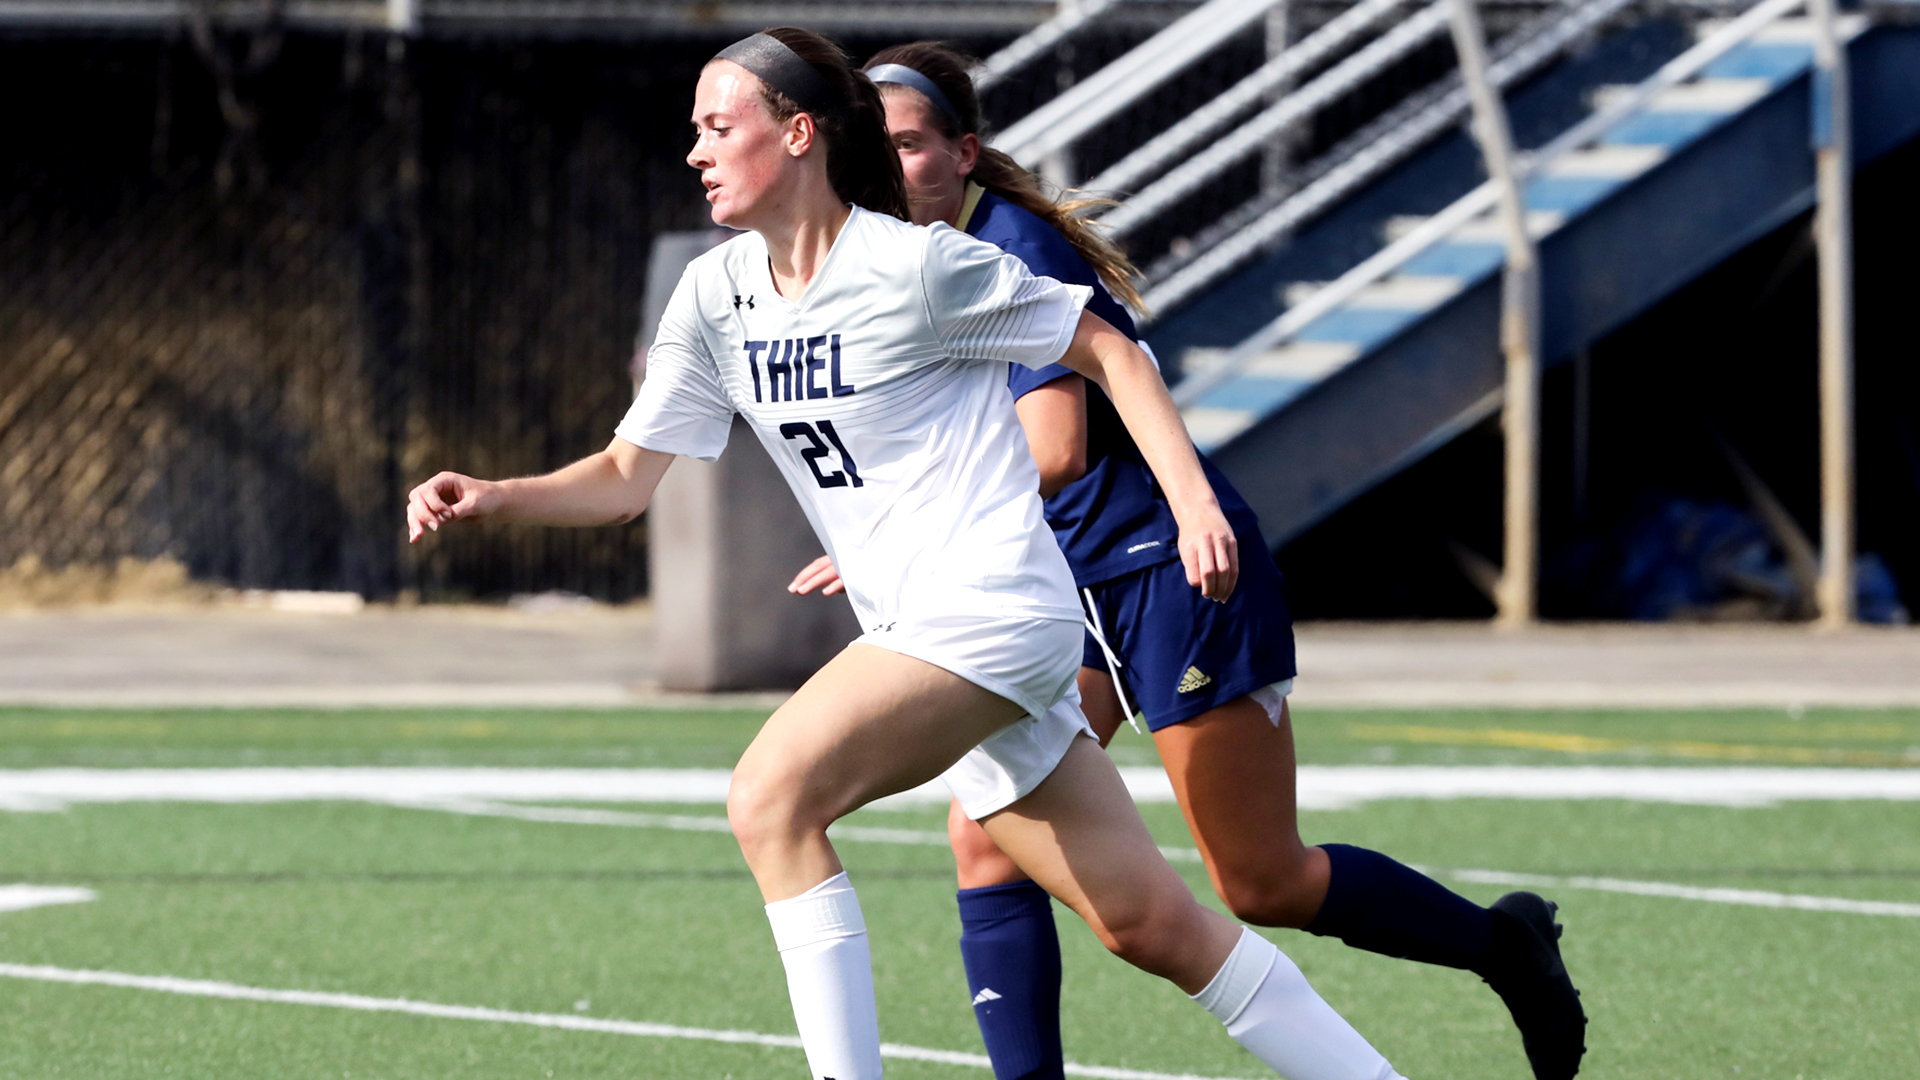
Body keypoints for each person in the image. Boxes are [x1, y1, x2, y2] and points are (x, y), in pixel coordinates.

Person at [406, 27, 1412, 1080]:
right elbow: (624, 477)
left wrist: (1195, 503)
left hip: (988, 613)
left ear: (800, 134)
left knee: (769, 798)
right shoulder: (714, 294)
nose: (695, 151)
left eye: (718, 126)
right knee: (1152, 926)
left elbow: (1111, 351)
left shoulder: (916, 267)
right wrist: (497, 497)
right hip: (927, 630)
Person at [787, 40, 1586, 1080]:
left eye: (909, 145)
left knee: (1259, 882)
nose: (890, 168)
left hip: (1163, 568)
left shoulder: (1011, 249)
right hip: (1058, 590)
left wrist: (913, 522)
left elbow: (1057, 452)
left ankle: (1502, 946)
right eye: (874, 147)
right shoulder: (904, 261)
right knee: (985, 835)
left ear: (964, 154)